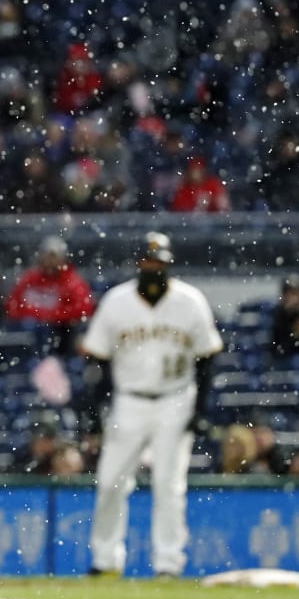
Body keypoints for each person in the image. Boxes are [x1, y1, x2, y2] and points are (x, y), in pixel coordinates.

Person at [81, 232, 222, 578]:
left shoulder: (191, 301)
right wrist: (93, 412)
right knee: (110, 481)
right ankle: (106, 560)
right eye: (147, 261)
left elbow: (206, 361)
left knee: (169, 486)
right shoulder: (117, 302)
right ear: (138, 263)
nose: (153, 268)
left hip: (175, 399)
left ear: (169, 264)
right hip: (128, 400)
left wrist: (200, 410)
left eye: (159, 262)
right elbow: (96, 361)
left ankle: (168, 564)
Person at [5, 235, 95, 356]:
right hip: (30, 337)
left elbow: (83, 309)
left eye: (54, 257)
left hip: (63, 336)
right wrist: (40, 317)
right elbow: (12, 306)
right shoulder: (29, 279)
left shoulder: (73, 281)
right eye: (47, 256)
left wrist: (51, 317)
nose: (51, 261)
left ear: (63, 258)